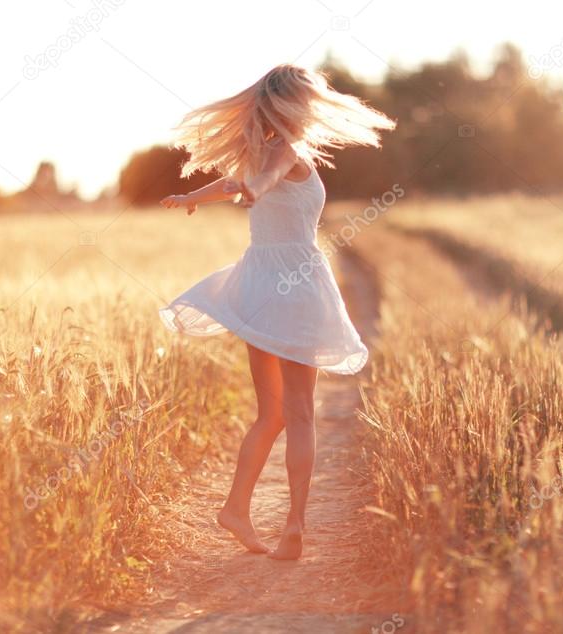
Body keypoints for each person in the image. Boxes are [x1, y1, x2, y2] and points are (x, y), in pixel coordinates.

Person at [159, 64, 395, 560]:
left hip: (259, 284)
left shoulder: (266, 149)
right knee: (300, 414)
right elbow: (258, 183)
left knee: (270, 415)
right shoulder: (283, 149)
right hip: (297, 284)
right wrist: (250, 190)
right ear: (295, 105)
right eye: (308, 100)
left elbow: (241, 182)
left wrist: (192, 196)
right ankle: (294, 526)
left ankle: (236, 509)